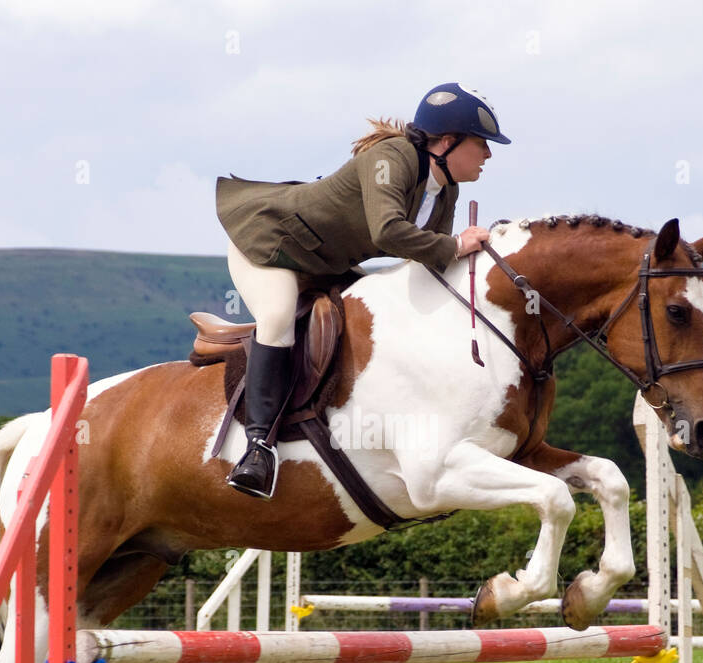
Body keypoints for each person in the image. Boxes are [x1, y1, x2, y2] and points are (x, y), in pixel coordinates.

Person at [214, 82, 511, 499]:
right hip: (270, 246)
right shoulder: (391, 159)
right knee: (278, 317)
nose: (489, 154)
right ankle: (258, 449)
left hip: (326, 265)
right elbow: (389, 231)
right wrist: (456, 245)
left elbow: (428, 262)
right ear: (447, 142)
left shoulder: (445, 190)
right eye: (481, 143)